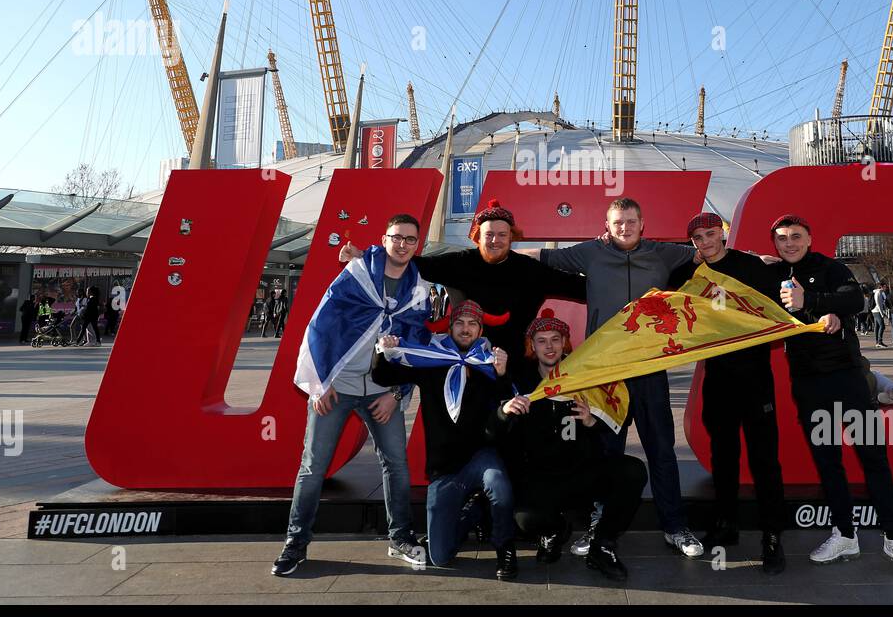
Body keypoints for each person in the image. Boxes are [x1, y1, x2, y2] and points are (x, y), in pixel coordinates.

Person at [538, 196, 705, 559]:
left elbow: (710, 256)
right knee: (606, 454)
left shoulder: (664, 254)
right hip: (606, 373)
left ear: (642, 223)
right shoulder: (590, 253)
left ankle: (675, 526)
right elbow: (541, 259)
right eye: (618, 223)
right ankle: (599, 529)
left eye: (630, 221)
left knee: (661, 451)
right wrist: (491, 248)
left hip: (648, 370)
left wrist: (763, 262)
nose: (624, 228)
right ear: (607, 225)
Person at [271, 215, 432, 578]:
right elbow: (322, 325)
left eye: (410, 239)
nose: (403, 244)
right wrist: (319, 383)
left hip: (381, 392)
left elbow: (416, 347)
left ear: (417, 245)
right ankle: (295, 545)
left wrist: (397, 392)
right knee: (313, 468)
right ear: (384, 238)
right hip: (337, 387)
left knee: (396, 465)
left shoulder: (418, 290)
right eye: (397, 237)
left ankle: (401, 537)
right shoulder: (357, 274)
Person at [768, 215, 893, 578]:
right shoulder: (773, 275)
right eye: (781, 239)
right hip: (808, 385)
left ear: (809, 238)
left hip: (848, 380)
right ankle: (845, 533)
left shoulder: (831, 268)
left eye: (796, 237)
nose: (789, 243)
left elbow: (855, 299)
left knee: (872, 458)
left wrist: (819, 303)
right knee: (828, 461)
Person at [668, 212, 787, 574]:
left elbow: (782, 302)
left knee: (765, 460)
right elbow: (667, 299)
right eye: (697, 239)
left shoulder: (754, 266)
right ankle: (726, 524)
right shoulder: (690, 276)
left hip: (755, 378)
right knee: (723, 457)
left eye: (709, 234)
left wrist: (779, 265)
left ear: (722, 234)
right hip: (717, 378)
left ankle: (772, 536)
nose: (704, 242)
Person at [492, 310, 646, 581]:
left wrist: (591, 421)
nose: (549, 346)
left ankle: (603, 545)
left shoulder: (582, 374)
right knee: (526, 519)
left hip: (581, 471)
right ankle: (554, 531)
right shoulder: (520, 380)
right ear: (532, 345)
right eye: (541, 340)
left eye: (555, 339)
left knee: (633, 471)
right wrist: (505, 410)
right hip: (542, 477)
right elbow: (494, 427)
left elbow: (620, 415)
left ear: (565, 343)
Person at [373, 300, 519, 580]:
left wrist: (502, 373)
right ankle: (473, 512)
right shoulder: (431, 361)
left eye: (472, 324)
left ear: (480, 330)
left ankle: (505, 548)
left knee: (499, 485)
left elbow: (507, 405)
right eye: (460, 323)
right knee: (439, 557)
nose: (466, 329)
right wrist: (383, 350)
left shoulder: (488, 364)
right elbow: (384, 375)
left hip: (480, 456)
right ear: (451, 327)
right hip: (445, 466)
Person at [342, 199, 586, 361]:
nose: (495, 241)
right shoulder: (460, 262)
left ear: (512, 237)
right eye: (488, 234)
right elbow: (413, 264)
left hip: (515, 364)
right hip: (464, 361)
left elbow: (578, 287)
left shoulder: (532, 270)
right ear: (477, 236)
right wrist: (365, 256)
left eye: (502, 235)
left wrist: (620, 279)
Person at [872, 282, 890, 348]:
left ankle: (877, 342)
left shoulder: (877, 292)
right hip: (877, 311)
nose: (886, 288)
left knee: (877, 326)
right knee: (882, 326)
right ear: (881, 287)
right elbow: (878, 303)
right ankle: (879, 341)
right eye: (885, 286)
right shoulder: (878, 292)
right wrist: (882, 313)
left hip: (875, 311)